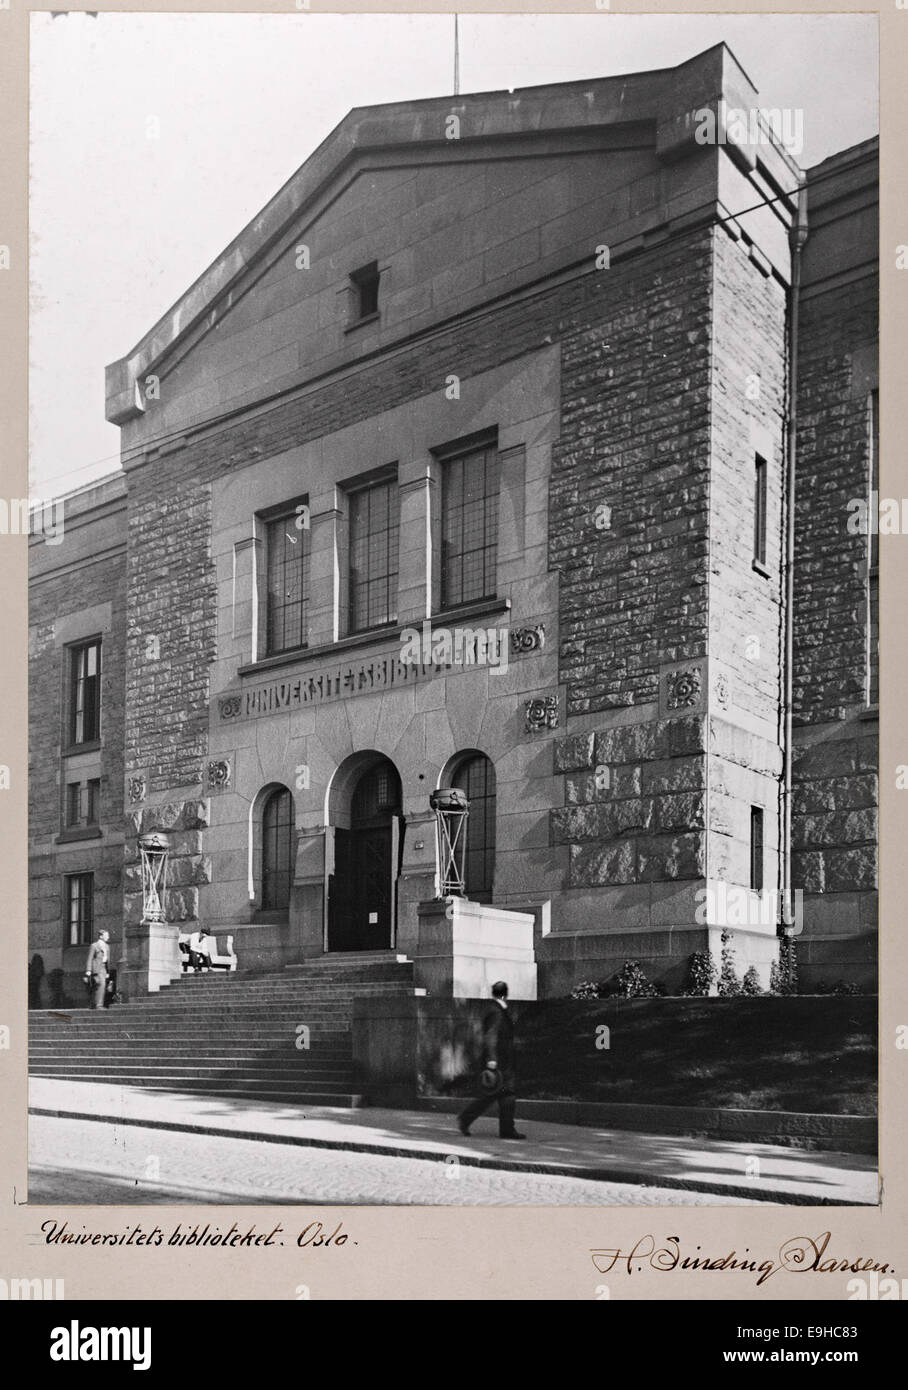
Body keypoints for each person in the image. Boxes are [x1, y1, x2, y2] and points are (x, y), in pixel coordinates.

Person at [458, 981, 526, 1140]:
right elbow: (491, 1036)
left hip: (502, 1061)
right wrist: (492, 1060)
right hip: (500, 1062)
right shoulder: (497, 1011)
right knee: (503, 1094)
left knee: (496, 1095)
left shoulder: (496, 1009)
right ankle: (506, 1130)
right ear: (505, 994)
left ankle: (469, 1119)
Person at [84, 930, 109, 1011]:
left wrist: (107, 971)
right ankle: (99, 1005)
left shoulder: (107, 946)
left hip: (104, 968)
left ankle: (94, 1004)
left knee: (100, 986)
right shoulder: (94, 946)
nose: (108, 937)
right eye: (106, 935)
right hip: (96, 969)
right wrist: (88, 970)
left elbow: (108, 960)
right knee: (101, 985)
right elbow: (90, 958)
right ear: (101, 936)